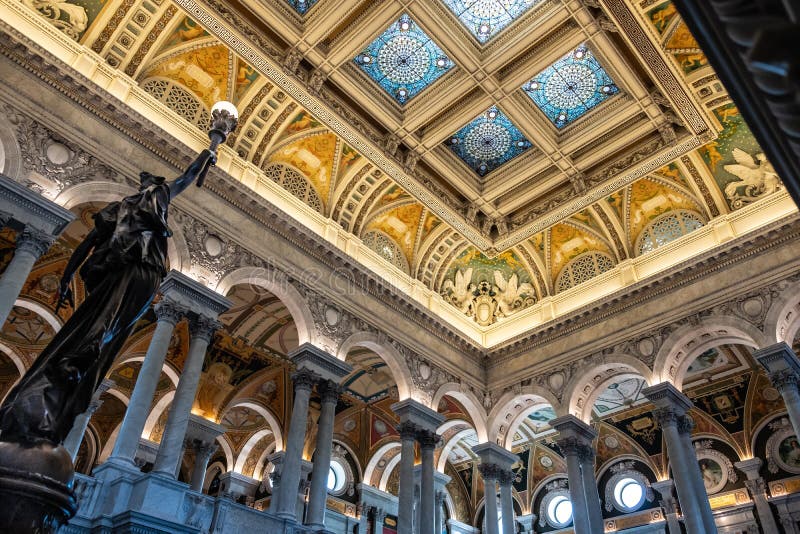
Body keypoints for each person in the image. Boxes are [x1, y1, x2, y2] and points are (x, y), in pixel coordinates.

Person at [0, 149, 216, 446]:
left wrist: (209, 150)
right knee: (99, 328)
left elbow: (187, 177)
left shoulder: (149, 200)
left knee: (105, 329)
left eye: (150, 183)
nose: (148, 187)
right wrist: (66, 276)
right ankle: (75, 367)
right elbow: (90, 241)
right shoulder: (131, 206)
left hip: (140, 274)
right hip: (131, 272)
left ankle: (78, 365)